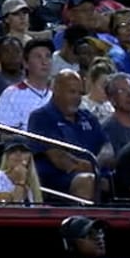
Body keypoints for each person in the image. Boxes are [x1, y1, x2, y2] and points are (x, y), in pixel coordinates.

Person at [26, 69, 103, 201]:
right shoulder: (41, 117)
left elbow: (107, 148)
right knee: (87, 180)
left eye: (80, 93)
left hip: (94, 170)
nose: (77, 98)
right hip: (56, 179)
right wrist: (85, 167)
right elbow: (58, 158)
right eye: (72, 92)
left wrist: (97, 163)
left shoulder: (89, 117)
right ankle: (82, 221)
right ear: (56, 90)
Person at [0, 138, 43, 204]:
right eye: (13, 151)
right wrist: (20, 181)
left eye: (23, 151)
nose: (18, 154)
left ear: (29, 156)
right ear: (7, 157)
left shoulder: (32, 180)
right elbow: (14, 208)